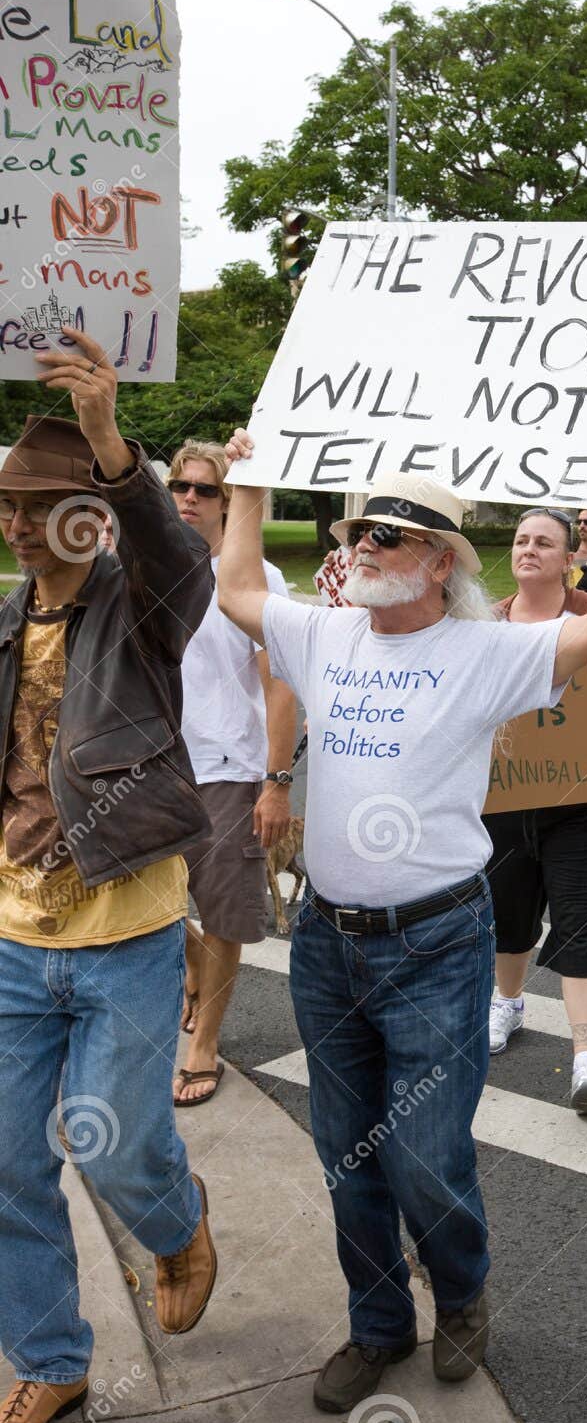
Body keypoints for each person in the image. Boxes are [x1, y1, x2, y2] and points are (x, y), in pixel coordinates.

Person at [217, 431, 587, 1414]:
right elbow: (234, 586)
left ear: (440, 562)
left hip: (436, 945)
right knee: (346, 1155)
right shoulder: (321, 629)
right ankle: (379, 1323)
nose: (360, 546)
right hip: (326, 941)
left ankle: (465, 1291)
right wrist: (247, 482)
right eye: (357, 531)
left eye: (387, 536)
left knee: (425, 1159)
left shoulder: (484, 652)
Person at [0, 332, 218, 1423]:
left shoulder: (141, 610)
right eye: (10, 505)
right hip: (9, 941)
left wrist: (104, 439)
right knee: (5, 1159)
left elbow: (178, 555)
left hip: (124, 928)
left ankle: (177, 1227)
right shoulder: (3, 622)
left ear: (90, 514)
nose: (23, 522)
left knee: (123, 1143)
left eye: (46, 504)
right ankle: (50, 1363)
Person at [168, 441, 298, 1104]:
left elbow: (280, 684)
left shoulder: (256, 579)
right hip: (151, 769)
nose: (189, 497)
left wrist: (276, 782)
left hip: (227, 766)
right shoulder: (144, 565)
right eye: (180, 485)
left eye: (206, 489)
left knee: (221, 912)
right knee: (145, 903)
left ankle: (205, 1044)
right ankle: (189, 963)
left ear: (228, 500)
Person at [484, 509, 587, 1115]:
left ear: (570, 557)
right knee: (508, 915)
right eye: (521, 539)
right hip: (504, 794)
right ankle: (507, 1003)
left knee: (585, 922)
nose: (529, 549)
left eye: (544, 541)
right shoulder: (483, 623)